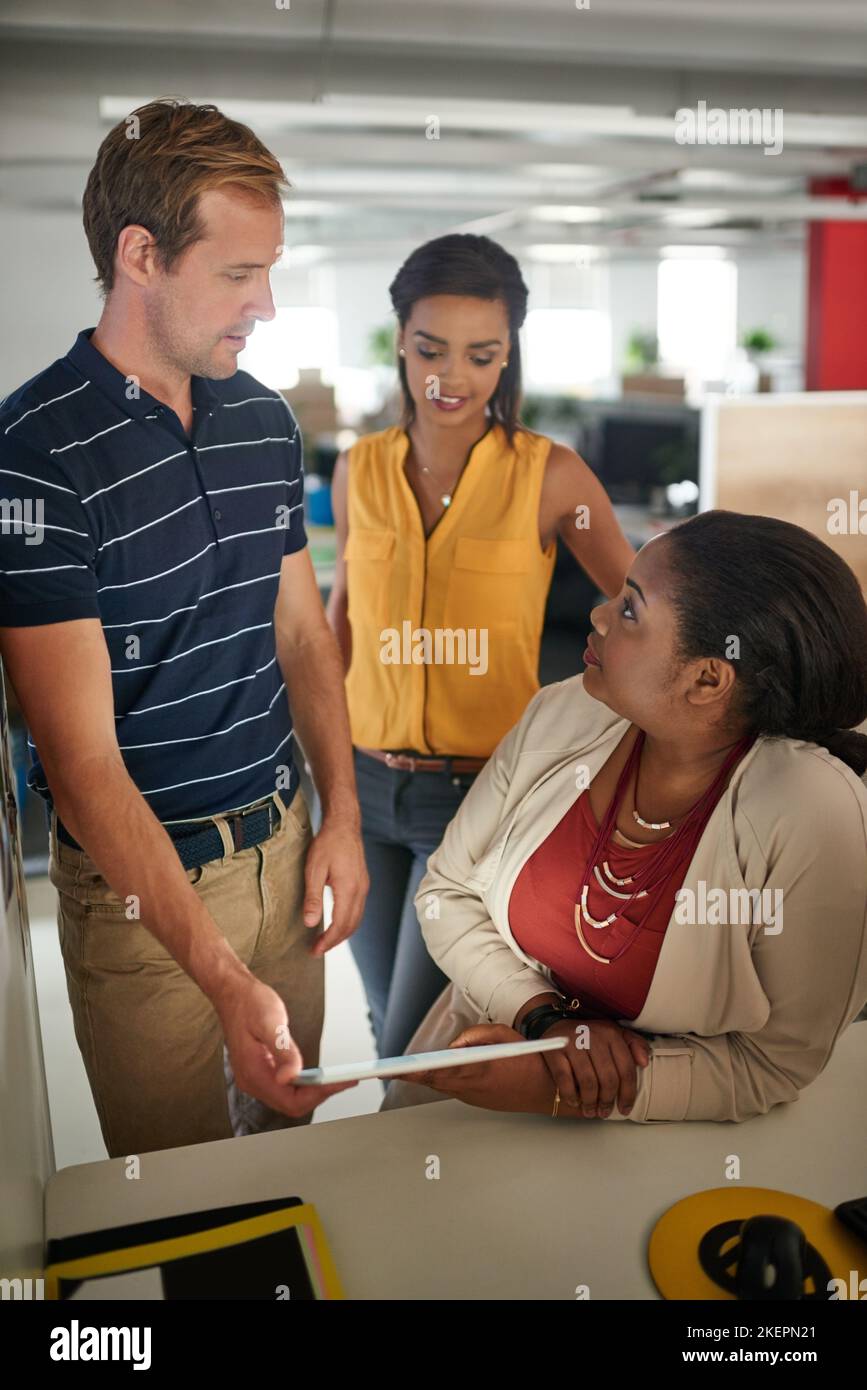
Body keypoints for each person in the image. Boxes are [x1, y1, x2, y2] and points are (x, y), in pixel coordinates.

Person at [0, 98, 368, 1158]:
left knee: (292, 1155)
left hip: (288, 855)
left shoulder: (262, 418)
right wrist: (215, 967)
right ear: (141, 254)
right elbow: (80, 766)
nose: (265, 305)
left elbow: (301, 638)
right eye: (239, 274)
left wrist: (339, 813)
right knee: (180, 1198)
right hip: (143, 906)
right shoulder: (36, 456)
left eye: (271, 270)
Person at [380, 511, 867, 1123]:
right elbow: (446, 894)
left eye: (631, 609)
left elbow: (775, 1062)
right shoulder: (562, 713)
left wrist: (560, 1087)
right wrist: (539, 1016)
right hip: (482, 1074)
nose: (600, 614)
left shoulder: (812, 811)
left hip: (658, 1141)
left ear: (707, 678)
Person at [326, 233, 635, 1058]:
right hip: (358, 789)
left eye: (480, 354)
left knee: (415, 1043)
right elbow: (339, 629)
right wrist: (322, 789)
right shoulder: (358, 469)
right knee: (386, 1023)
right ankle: (420, 1177)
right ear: (399, 339)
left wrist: (607, 724)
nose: (449, 377)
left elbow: (645, 604)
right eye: (430, 348)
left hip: (475, 799)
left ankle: (397, 1173)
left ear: (507, 359)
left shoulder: (551, 476)